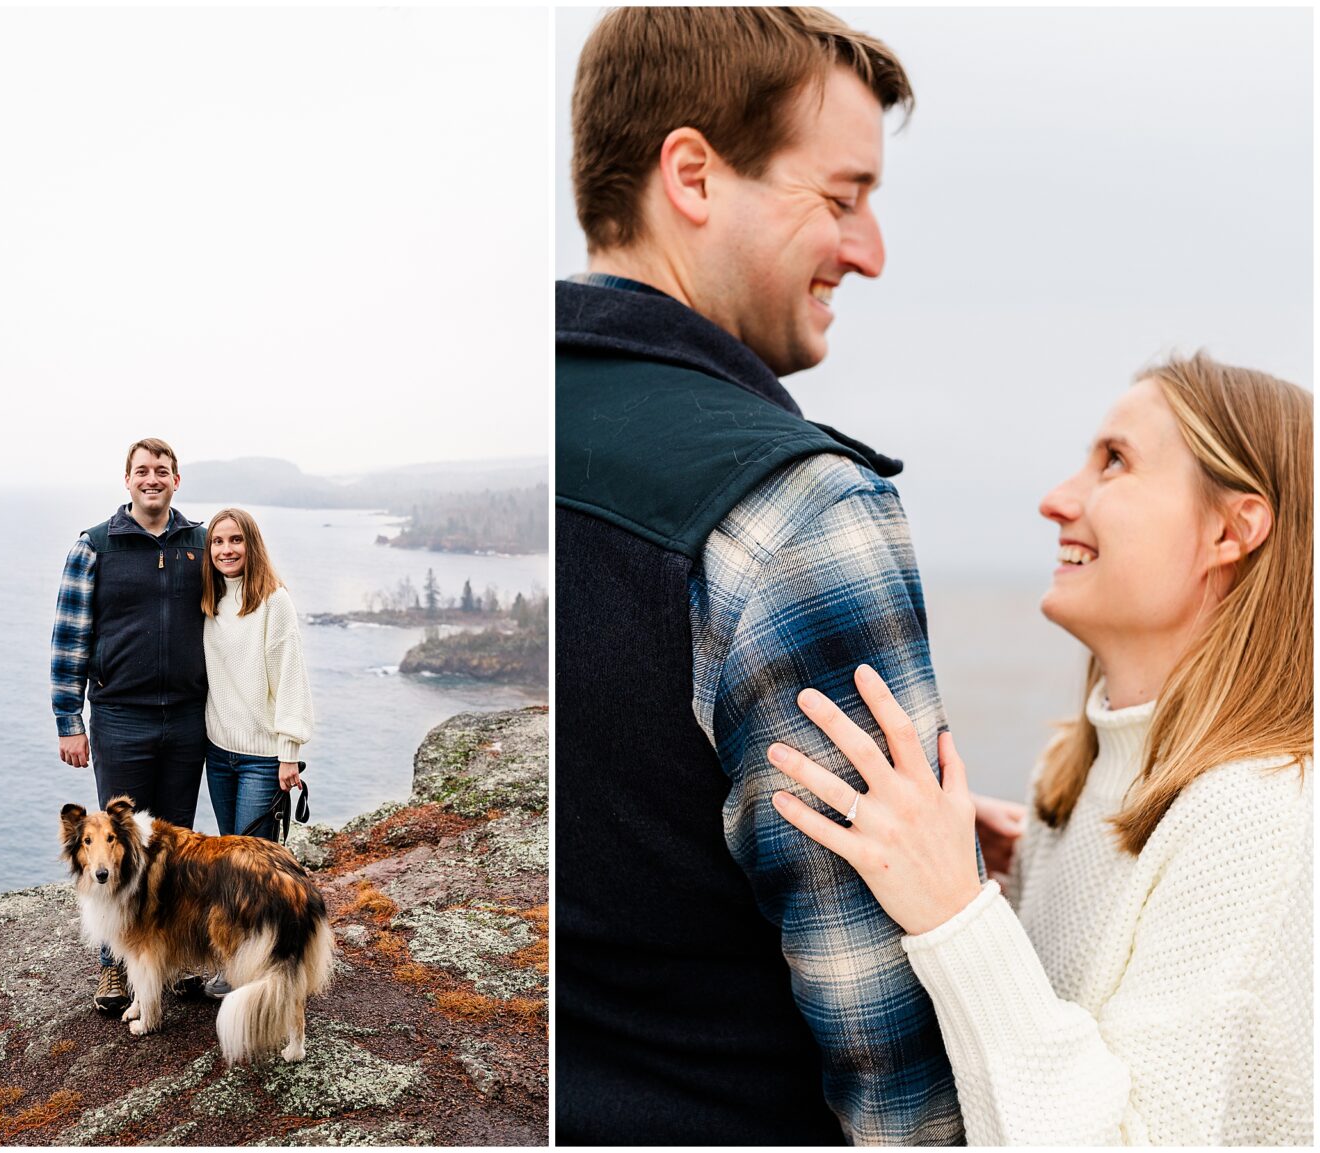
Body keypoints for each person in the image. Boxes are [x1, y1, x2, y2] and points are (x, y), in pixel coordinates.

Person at [556, 8, 963, 1145]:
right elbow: (900, 1071)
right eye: (841, 197)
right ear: (691, 174)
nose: (870, 249)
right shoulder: (798, 512)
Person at [770, 354, 1313, 1144]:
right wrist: (1008, 893)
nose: (1056, 500)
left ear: (1233, 529)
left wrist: (956, 911)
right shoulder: (1081, 782)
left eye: (1115, 462)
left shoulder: (1258, 814)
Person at [50, 437, 209, 1014]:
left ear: (176, 479)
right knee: (115, 846)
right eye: (142, 471)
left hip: (189, 719)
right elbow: (69, 637)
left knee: (176, 845)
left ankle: (175, 958)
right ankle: (115, 968)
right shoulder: (94, 547)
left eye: (161, 471)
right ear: (127, 480)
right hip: (119, 718)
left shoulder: (199, 542)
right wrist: (70, 720)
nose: (152, 479)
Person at [196, 507, 314, 999]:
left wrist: (289, 753)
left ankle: (267, 968)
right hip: (217, 752)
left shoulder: (273, 601)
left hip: (262, 758)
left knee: (255, 871)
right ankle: (247, 960)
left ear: (252, 545)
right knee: (233, 868)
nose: (226, 550)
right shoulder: (209, 602)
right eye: (218, 542)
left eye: (235, 541)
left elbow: (290, 678)